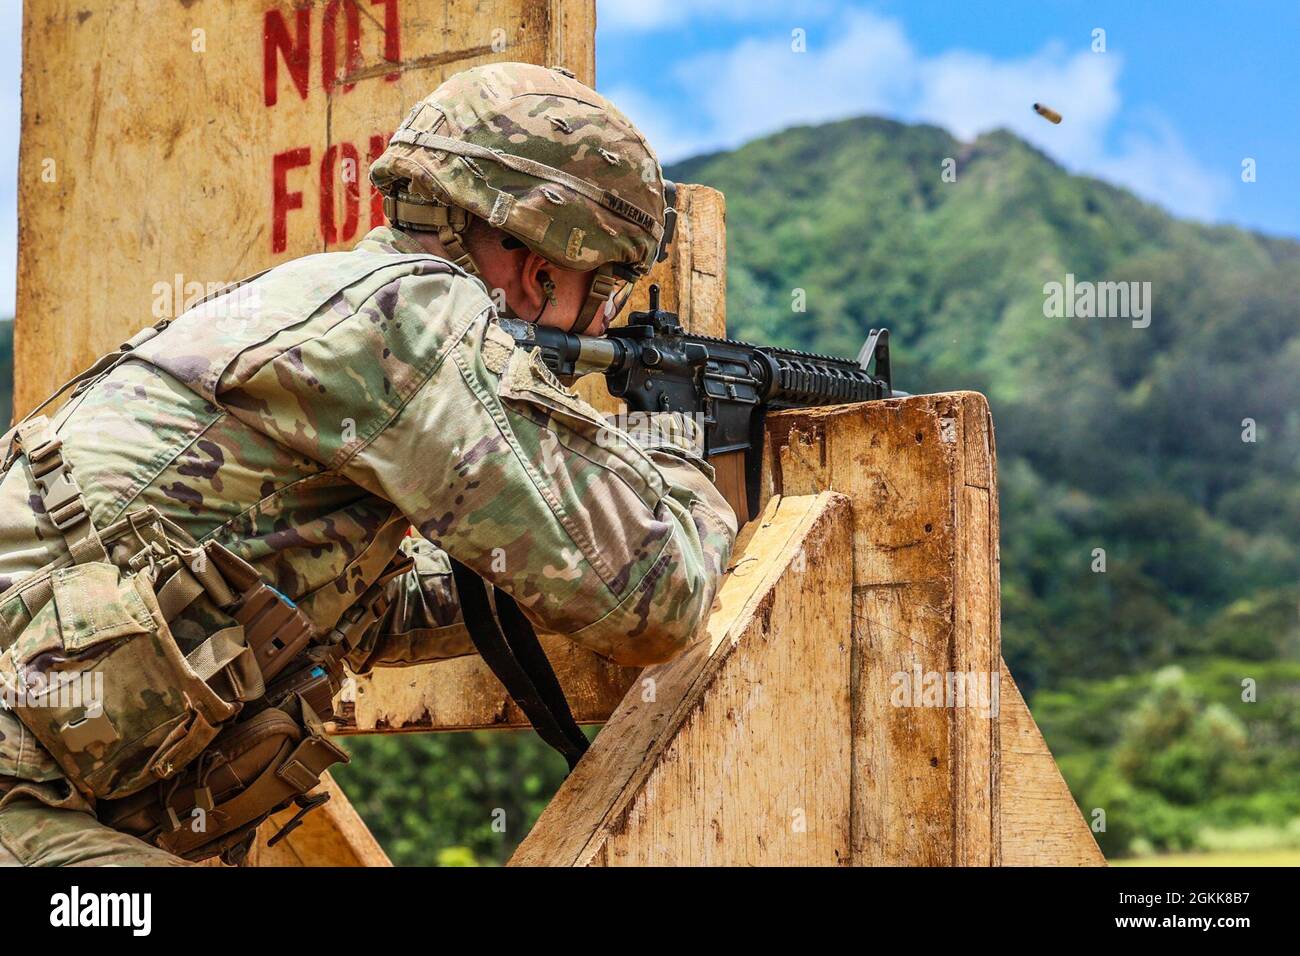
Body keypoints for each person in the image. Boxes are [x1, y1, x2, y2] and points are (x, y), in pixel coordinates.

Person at [0, 62, 737, 866]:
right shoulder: (413, 317)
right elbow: (656, 602)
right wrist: (686, 461)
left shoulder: (336, 300)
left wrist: (527, 560)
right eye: (607, 293)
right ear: (544, 270)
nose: (601, 323)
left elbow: (365, 615)